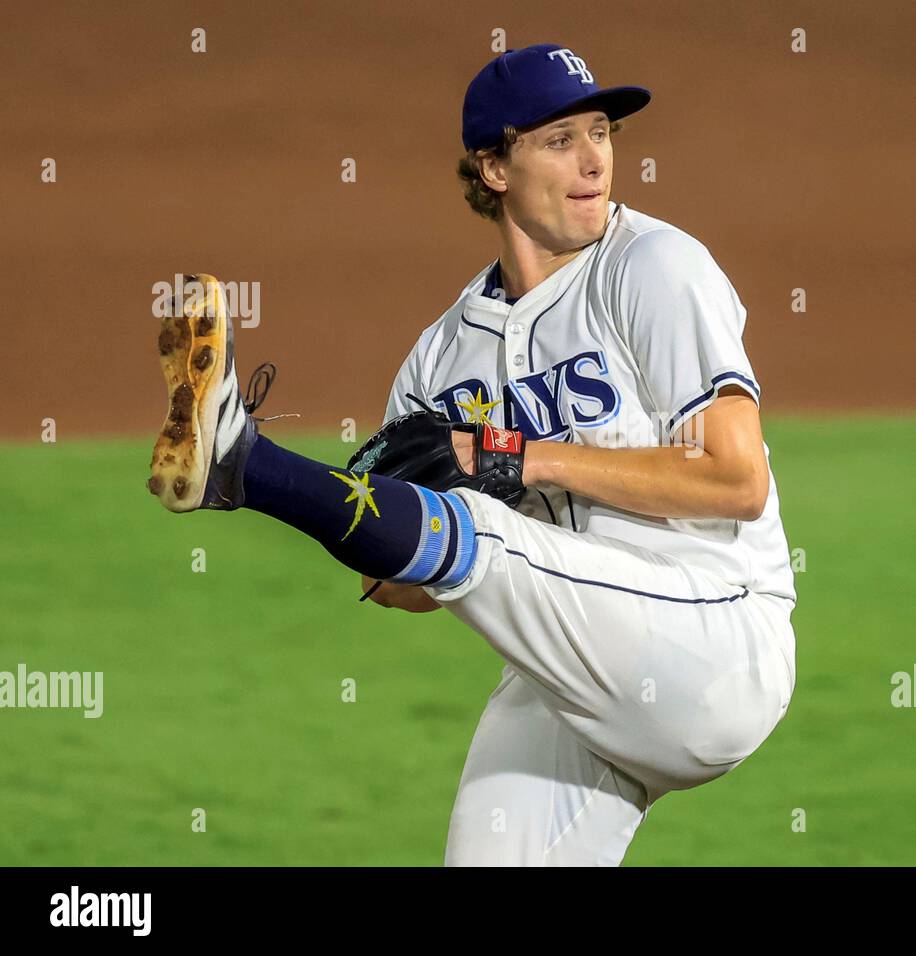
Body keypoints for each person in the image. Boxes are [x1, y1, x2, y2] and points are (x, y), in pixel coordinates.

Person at [147, 43, 796, 866]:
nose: (595, 157)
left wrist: (517, 460)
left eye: (601, 130)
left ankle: (244, 463)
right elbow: (390, 589)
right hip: (568, 677)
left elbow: (737, 479)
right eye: (560, 140)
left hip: (714, 640)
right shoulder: (442, 357)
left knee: (483, 531)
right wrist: (381, 498)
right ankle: (243, 464)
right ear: (493, 166)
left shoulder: (654, 268)